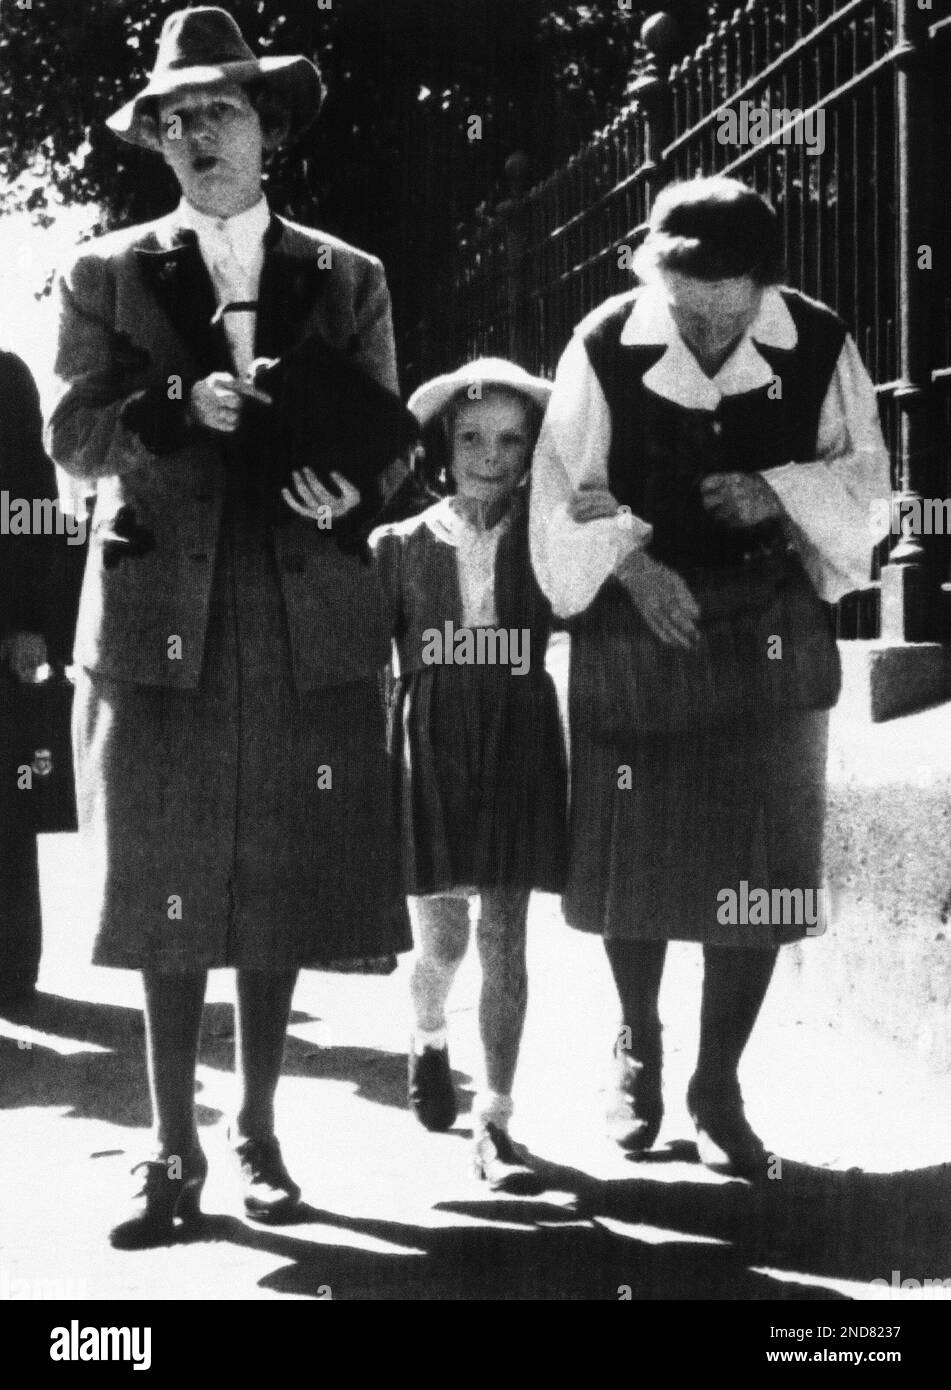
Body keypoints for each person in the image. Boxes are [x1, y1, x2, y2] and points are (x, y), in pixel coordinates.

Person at [48, 6, 410, 1247]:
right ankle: (170, 1148)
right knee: (164, 884)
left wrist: (351, 490)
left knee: (280, 881)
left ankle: (258, 1134)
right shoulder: (104, 270)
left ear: (273, 130)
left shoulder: (348, 273)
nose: (196, 132)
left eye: (221, 110)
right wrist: (168, 403)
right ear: (153, 141)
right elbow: (69, 436)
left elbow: (389, 445)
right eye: (174, 118)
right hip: (161, 615)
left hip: (304, 610)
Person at [530, 177, 890, 1176]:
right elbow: (563, 484)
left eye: (716, 300)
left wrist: (777, 492)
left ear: (760, 284)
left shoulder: (817, 342)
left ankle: (717, 1084)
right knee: (636, 856)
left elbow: (865, 483)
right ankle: (637, 1050)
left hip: (767, 626)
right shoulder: (605, 342)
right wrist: (635, 564)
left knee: (764, 871)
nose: (695, 321)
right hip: (638, 624)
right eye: (678, 294)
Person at [370, 360, 568, 1192]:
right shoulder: (397, 544)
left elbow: (584, 594)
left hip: (516, 732)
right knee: (442, 938)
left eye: (511, 440)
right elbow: (370, 656)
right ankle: (425, 1035)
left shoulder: (546, 539)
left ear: (532, 453)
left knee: (505, 936)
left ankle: (494, 1119)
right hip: (433, 735)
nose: (491, 455)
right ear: (442, 449)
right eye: (472, 437)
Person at [0, 351, 62, 1005]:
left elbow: (33, 506)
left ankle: (12, 969)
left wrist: (29, 623)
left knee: (5, 810)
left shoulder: (3, 377)